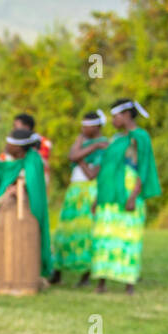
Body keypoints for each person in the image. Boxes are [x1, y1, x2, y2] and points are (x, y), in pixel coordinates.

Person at [90, 98, 162, 294]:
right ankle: (101, 282)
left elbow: (143, 167)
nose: (113, 120)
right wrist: (98, 198)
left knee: (127, 237)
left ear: (128, 115)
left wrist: (134, 196)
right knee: (104, 237)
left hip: (128, 192)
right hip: (108, 195)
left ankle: (128, 283)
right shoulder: (115, 140)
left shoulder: (140, 137)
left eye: (116, 116)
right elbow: (106, 169)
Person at [56, 109, 110, 287]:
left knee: (86, 233)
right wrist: (85, 148)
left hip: (89, 191)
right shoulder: (86, 142)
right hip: (75, 191)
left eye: (86, 126)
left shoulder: (104, 145)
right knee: (65, 231)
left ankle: (85, 275)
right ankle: (58, 270)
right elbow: (72, 155)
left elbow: (92, 174)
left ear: (96, 127)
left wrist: (81, 156)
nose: (83, 129)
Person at [0, 127, 52, 281]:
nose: (6, 146)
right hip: (5, 207)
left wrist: (20, 186)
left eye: (9, 143)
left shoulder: (33, 160)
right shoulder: (8, 159)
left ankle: (27, 275)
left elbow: (33, 184)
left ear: (18, 148)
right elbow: (1, 180)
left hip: (25, 209)